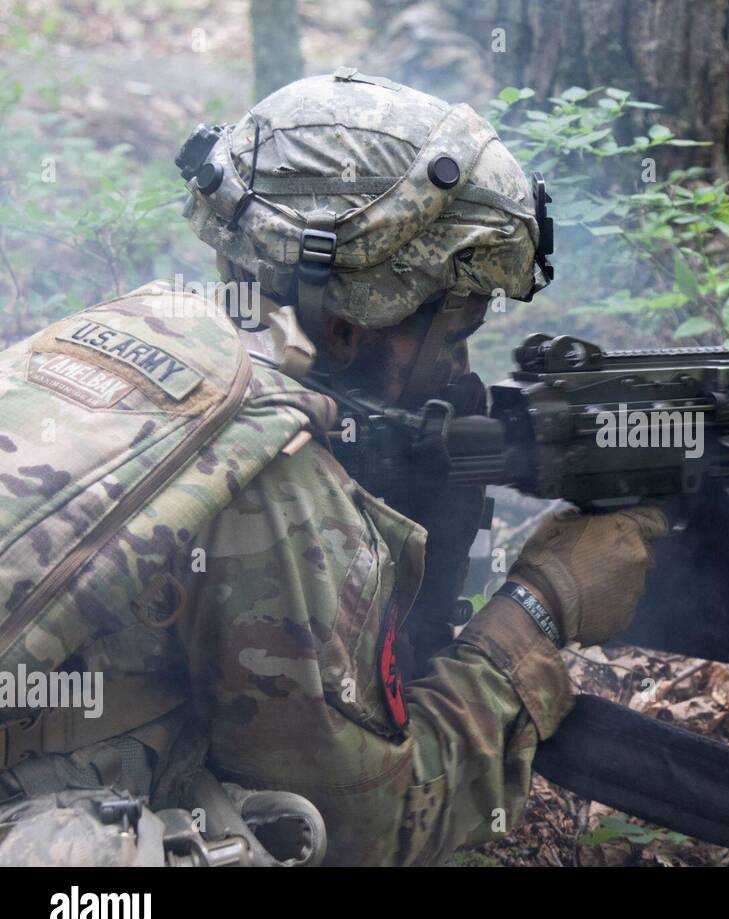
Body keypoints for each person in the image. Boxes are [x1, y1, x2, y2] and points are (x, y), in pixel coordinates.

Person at [0, 69, 665, 866]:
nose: (459, 369)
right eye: (455, 333)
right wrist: (543, 605)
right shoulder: (274, 482)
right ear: (350, 326)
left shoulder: (108, 336)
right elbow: (367, 830)